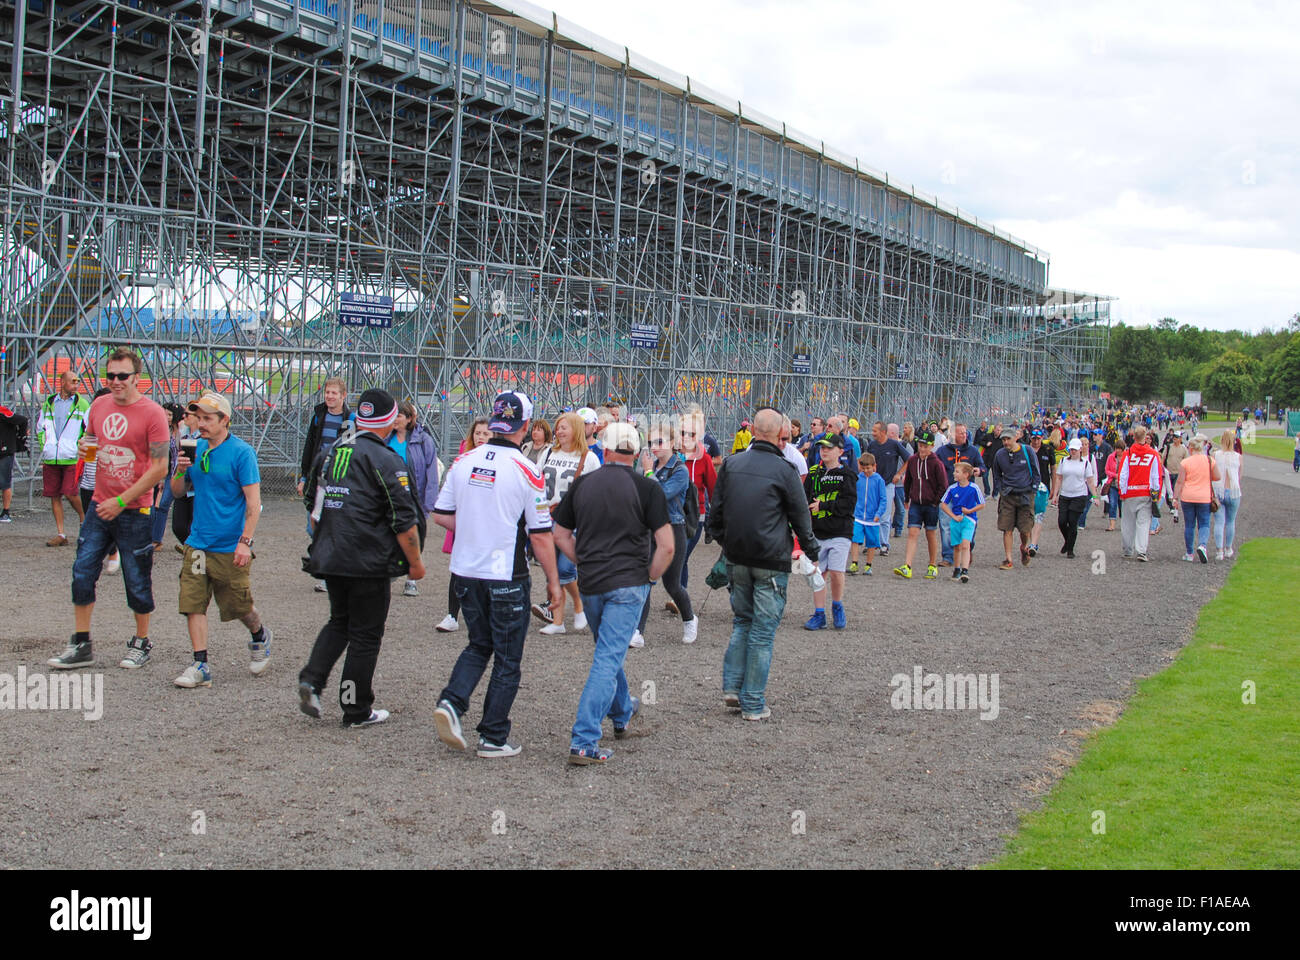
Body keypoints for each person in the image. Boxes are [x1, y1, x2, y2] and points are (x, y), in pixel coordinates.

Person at [432, 392, 562, 758]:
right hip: (506, 574)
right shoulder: (527, 470)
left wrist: (475, 525)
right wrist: (554, 582)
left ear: (494, 422)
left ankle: (452, 702)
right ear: (525, 426)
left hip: (465, 572)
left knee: (478, 643)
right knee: (507, 657)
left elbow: (441, 514)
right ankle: (492, 735)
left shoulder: (464, 460)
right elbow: (539, 535)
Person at [298, 389, 424, 727]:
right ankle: (355, 709)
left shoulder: (331, 452)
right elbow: (403, 520)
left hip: (332, 554)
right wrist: (415, 562)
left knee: (339, 620)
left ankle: (312, 678)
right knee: (366, 634)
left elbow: (314, 509)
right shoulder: (385, 459)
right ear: (387, 420)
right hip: (368, 560)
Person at [551, 422, 673, 764]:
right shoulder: (647, 489)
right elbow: (666, 547)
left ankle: (622, 712)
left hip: (591, 584)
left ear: (604, 451)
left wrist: (584, 560)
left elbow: (560, 535)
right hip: (627, 582)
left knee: (608, 649)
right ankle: (584, 739)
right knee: (608, 658)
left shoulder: (583, 485)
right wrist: (648, 578)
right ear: (635, 455)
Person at [48, 348, 169, 670]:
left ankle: (141, 641)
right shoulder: (99, 406)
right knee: (82, 572)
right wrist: (84, 447)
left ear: (137, 378)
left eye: (122, 376)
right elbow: (90, 442)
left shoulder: (153, 414)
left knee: (136, 578)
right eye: (110, 376)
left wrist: (121, 500)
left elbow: (159, 468)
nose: (115, 382)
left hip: (134, 510)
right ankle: (81, 642)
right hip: (100, 507)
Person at [707, 407, 819, 721]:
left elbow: (715, 513)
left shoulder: (731, 463)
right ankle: (753, 702)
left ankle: (732, 688)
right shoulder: (785, 470)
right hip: (771, 558)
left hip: (737, 556)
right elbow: (801, 517)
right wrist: (812, 551)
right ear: (780, 435)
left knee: (742, 622)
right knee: (763, 632)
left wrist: (725, 543)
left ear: (754, 431)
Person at [170, 392, 270, 687]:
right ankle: (200, 664)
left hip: (230, 545)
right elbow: (177, 493)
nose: (200, 424)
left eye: (207, 419)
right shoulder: (195, 448)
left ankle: (260, 635)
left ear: (225, 420)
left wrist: (245, 541)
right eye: (197, 418)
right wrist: (180, 469)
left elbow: (253, 503)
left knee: (238, 606)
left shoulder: (242, 453)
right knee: (193, 603)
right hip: (198, 542)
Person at [536, 411, 601, 635]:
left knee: (564, 568)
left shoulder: (588, 457)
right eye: (558, 427)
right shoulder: (547, 453)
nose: (559, 431)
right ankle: (558, 621)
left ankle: (579, 604)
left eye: (564, 427)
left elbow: (596, 491)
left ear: (576, 429)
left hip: (573, 520)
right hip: (548, 516)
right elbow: (537, 481)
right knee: (552, 572)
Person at [634, 422, 698, 645]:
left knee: (672, 585)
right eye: (651, 443)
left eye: (659, 442)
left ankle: (689, 619)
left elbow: (661, 495)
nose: (654, 447)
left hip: (673, 528)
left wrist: (649, 471)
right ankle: (638, 631)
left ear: (672, 443)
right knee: (645, 580)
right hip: (650, 529)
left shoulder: (679, 470)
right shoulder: (647, 467)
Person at [435, 416, 491, 632]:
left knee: (485, 570)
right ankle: (452, 614)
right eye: (478, 433)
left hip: (488, 522)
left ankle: (482, 612)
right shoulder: (463, 457)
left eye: (486, 434)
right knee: (458, 569)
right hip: (466, 519)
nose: (481, 437)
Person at [299, 377, 351, 591]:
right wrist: (304, 476)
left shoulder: (349, 420)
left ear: (343, 396)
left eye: (334, 393)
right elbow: (309, 446)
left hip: (336, 477)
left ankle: (329, 574)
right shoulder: (319, 416)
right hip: (316, 476)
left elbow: (350, 449)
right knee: (313, 527)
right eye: (327, 392)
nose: (329, 396)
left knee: (332, 525)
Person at [388, 399, 439, 597]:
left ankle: (411, 579)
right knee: (390, 533)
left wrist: (428, 503)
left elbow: (431, 473)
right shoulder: (386, 438)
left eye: (398, 416)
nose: (395, 420)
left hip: (414, 496)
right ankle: (392, 567)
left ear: (409, 418)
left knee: (414, 538)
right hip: (392, 495)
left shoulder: (423, 440)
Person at [803, 435, 856, 627]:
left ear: (840, 452)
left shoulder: (847, 475)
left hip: (840, 531)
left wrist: (824, 506)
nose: (824, 451)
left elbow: (848, 504)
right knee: (817, 574)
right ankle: (819, 614)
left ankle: (837, 605)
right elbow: (804, 498)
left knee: (836, 571)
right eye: (821, 448)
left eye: (829, 448)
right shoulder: (814, 473)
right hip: (818, 532)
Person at [37, 370, 90, 546]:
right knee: (54, 495)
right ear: (63, 382)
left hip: (71, 457)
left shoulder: (82, 405)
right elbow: (40, 427)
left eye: (77, 382)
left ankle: (84, 519)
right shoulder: (49, 403)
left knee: (70, 492)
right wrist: (45, 446)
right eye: (73, 382)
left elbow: (89, 430)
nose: (76, 385)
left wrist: (82, 453)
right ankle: (61, 534)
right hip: (52, 456)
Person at [893, 430, 946, 580]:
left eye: (925, 446)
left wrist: (936, 502)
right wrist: (907, 498)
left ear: (932, 446)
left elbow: (943, 485)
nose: (922, 449)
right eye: (920, 445)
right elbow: (908, 480)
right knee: (912, 532)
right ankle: (907, 566)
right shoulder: (913, 460)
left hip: (931, 504)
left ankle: (932, 565)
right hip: (916, 502)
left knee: (930, 534)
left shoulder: (936, 463)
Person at [989, 426, 1040, 571]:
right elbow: (996, 474)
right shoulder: (999, 454)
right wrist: (1000, 489)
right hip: (1008, 496)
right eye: (1003, 440)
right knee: (1007, 528)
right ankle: (1008, 559)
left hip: (1025, 494)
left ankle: (1024, 547)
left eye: (1008, 439)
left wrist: (1034, 489)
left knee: (1025, 530)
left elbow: (1036, 471)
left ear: (1015, 438)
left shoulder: (1027, 451)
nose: (1005, 442)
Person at [934, 424, 985, 566]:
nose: (964, 435)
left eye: (965, 433)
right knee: (945, 524)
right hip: (949, 492)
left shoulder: (973, 451)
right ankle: (948, 556)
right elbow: (935, 468)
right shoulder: (942, 452)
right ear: (953, 435)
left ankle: (968, 547)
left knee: (969, 523)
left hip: (968, 495)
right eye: (961, 433)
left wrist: (979, 470)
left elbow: (983, 467)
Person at [679, 407, 717, 594]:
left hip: (695, 516)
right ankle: (679, 593)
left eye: (691, 433)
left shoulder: (705, 459)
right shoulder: (669, 455)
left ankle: (679, 595)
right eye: (683, 432)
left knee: (681, 556)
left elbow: (714, 489)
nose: (686, 437)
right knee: (675, 559)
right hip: (671, 515)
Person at [1117, 425, 1163, 563]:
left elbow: (1123, 474)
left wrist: (1122, 491)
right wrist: (1157, 493)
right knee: (1143, 523)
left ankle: (1127, 549)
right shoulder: (1153, 454)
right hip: (1145, 492)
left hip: (1130, 492)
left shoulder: (1128, 453)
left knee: (1127, 523)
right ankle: (1141, 550)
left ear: (1134, 437)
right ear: (1145, 437)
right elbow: (1156, 475)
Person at [864, 420, 909, 556]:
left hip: (888, 484)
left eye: (875, 431)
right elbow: (865, 461)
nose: (872, 433)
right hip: (872, 483)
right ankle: (871, 543)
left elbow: (909, 459)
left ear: (883, 432)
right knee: (871, 513)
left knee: (884, 514)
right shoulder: (871, 445)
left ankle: (884, 544)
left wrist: (899, 474)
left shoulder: (894, 445)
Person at [1050, 438, 1099, 559]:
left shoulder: (1085, 463)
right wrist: (1055, 495)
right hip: (1065, 495)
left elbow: (1090, 480)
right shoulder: (1063, 461)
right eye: (1071, 449)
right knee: (1062, 521)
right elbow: (1059, 478)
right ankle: (1067, 541)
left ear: (1080, 450)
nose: (1073, 452)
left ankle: (1070, 549)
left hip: (1079, 495)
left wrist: (1094, 495)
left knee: (1072, 522)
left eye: (1075, 450)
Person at [1174, 436, 1219, 564]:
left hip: (1188, 496)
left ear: (1192, 448)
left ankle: (1189, 553)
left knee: (1189, 525)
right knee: (1204, 523)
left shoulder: (1186, 462)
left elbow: (1180, 482)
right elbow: (1217, 476)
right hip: (1204, 496)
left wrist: (1175, 497)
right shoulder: (1209, 460)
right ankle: (1202, 545)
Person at [939, 461, 985, 582]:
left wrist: (970, 511)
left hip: (969, 520)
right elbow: (943, 504)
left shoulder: (974, 488)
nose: (954, 473)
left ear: (965, 474)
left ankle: (965, 570)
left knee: (966, 545)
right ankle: (957, 569)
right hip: (956, 520)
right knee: (957, 547)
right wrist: (953, 516)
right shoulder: (952, 488)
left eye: (957, 471)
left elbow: (982, 504)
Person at [150, 403, 185, 550]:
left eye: (169, 415)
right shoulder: (168, 431)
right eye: (164, 414)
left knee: (164, 505)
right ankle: (156, 539)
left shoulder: (182, 431)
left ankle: (157, 539)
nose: (166, 417)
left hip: (181, 472)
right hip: (171, 471)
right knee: (160, 505)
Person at [849, 451, 887, 575]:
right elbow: (852, 495)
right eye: (863, 468)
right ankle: (854, 563)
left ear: (874, 466)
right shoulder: (857, 479)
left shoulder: (878, 480)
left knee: (871, 542)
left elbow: (883, 499)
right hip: (858, 516)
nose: (866, 470)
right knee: (854, 539)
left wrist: (878, 513)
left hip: (872, 518)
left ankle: (868, 565)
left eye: (868, 468)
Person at [1212, 429, 1242, 560]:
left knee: (1219, 522)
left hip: (1219, 490)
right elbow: (1239, 476)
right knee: (1230, 521)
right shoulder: (1238, 457)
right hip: (1234, 491)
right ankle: (1228, 548)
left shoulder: (1215, 455)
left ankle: (1219, 550)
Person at [0, 400, 28, 523]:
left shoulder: (2, 411)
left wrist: (20, 439)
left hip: (4, 452)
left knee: (5, 483)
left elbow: (22, 420)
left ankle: (6, 512)